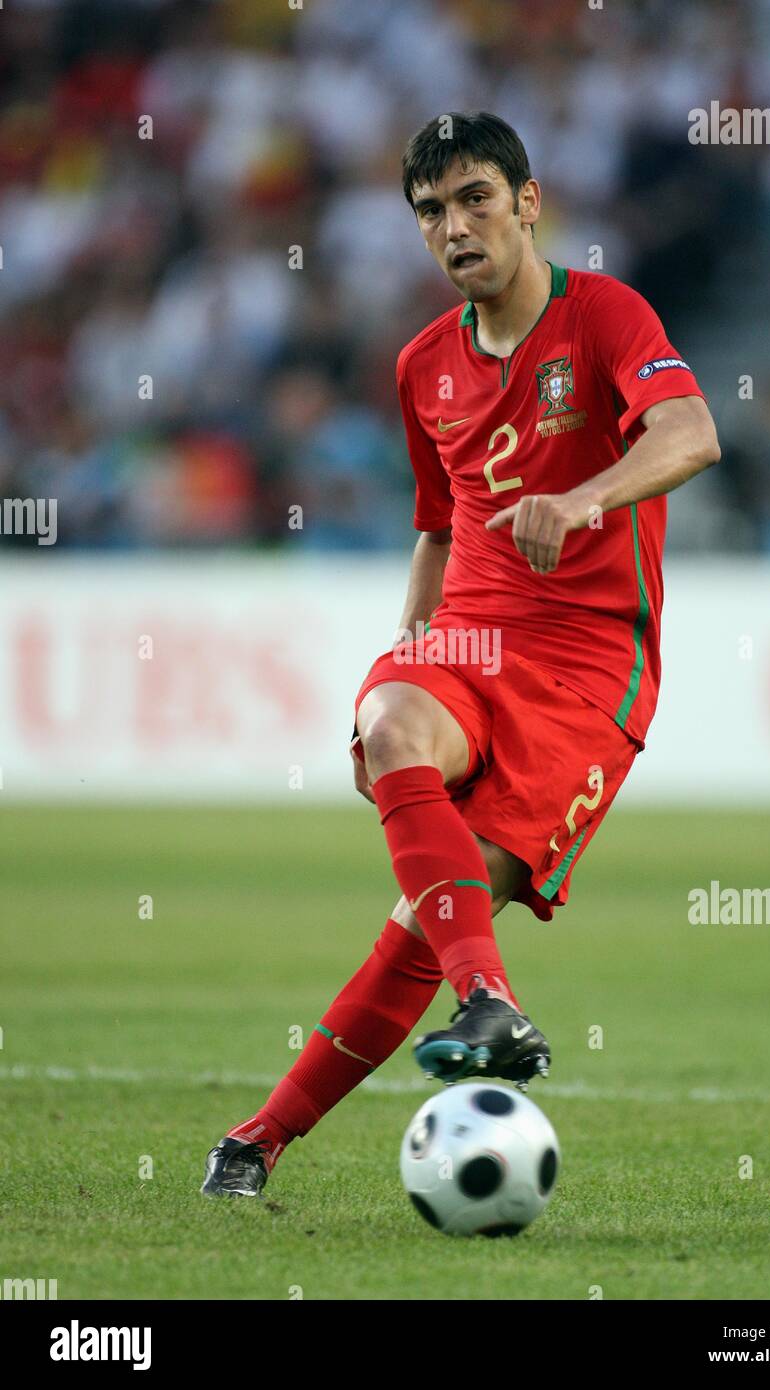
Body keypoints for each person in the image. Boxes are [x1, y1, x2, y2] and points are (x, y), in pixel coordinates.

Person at [203, 111, 720, 1197]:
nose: (454, 225)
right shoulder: (420, 365)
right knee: (390, 723)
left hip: (587, 671)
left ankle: (253, 1141)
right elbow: (437, 524)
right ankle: (488, 998)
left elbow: (690, 435)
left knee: (419, 928)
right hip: (465, 639)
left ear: (527, 204)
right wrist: (409, 637)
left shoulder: (606, 315)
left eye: (475, 197)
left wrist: (580, 501)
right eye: (431, 210)